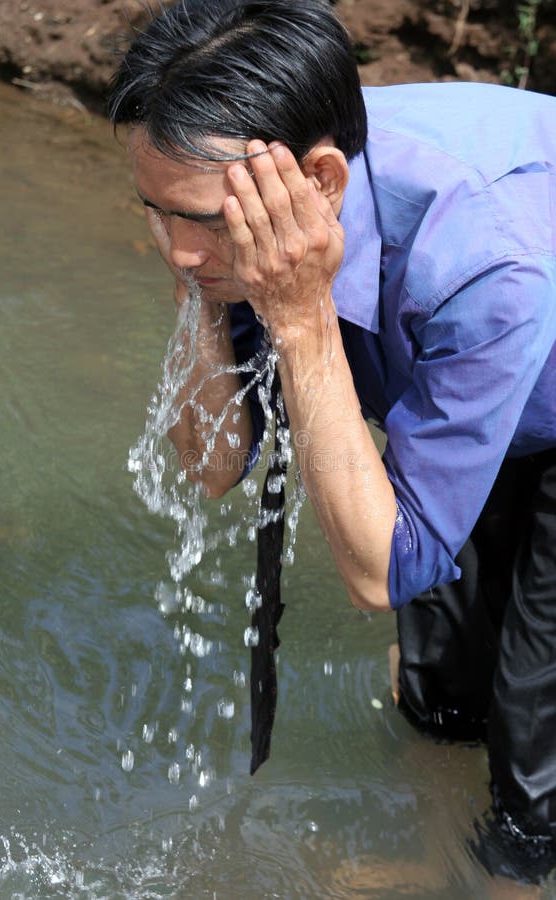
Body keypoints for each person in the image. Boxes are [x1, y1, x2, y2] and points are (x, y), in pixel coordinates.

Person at [108, 0, 556, 885]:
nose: (182, 251)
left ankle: (507, 870)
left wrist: (301, 316)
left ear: (320, 182)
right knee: (440, 692)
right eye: (160, 214)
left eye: (204, 222)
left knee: (536, 726)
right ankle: (431, 838)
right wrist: (204, 301)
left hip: (540, 362)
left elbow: (378, 573)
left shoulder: (486, 258)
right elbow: (211, 468)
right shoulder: (253, 199)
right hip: (449, 379)